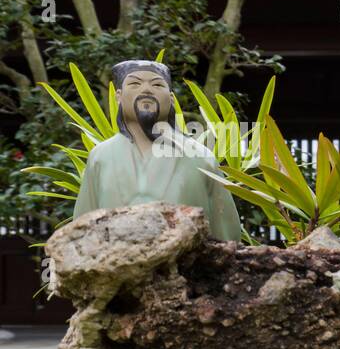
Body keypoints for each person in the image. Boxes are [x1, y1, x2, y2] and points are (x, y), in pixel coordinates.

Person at [72, 60, 242, 241]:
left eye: (157, 84)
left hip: (188, 263)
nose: (146, 90)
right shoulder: (100, 156)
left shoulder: (200, 156)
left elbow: (225, 231)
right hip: (115, 262)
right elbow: (82, 227)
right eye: (135, 84)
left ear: (171, 99)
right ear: (118, 97)